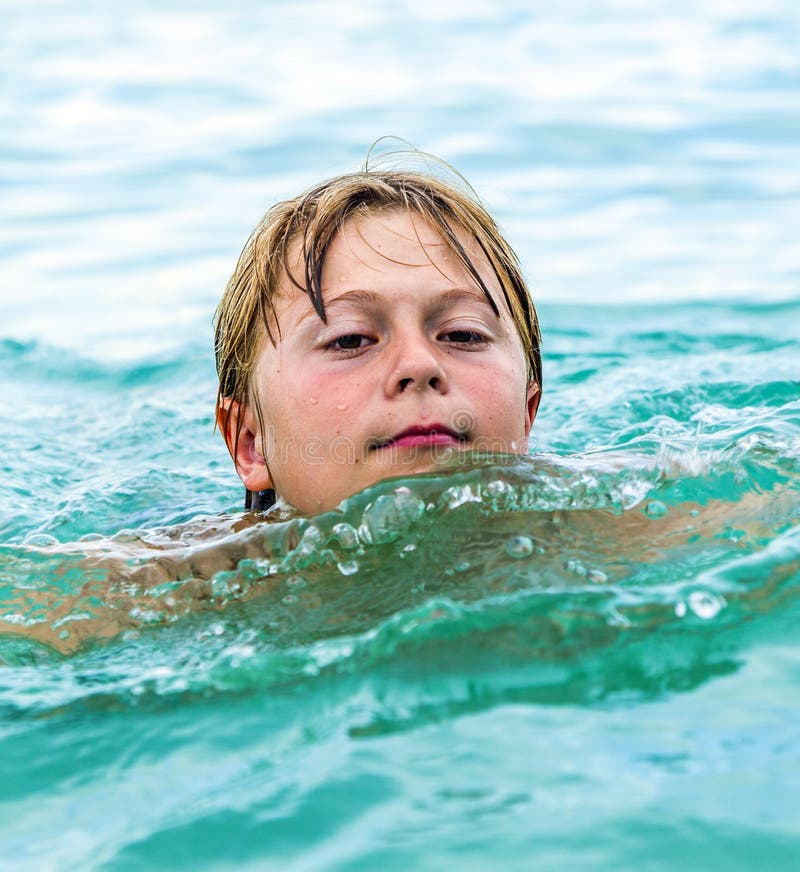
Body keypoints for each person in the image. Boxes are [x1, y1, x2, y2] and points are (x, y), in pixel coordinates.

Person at [214, 152, 543, 515]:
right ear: (251, 445)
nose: (419, 365)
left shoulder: (608, 524)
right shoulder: (177, 571)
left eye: (463, 334)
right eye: (350, 339)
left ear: (527, 415)